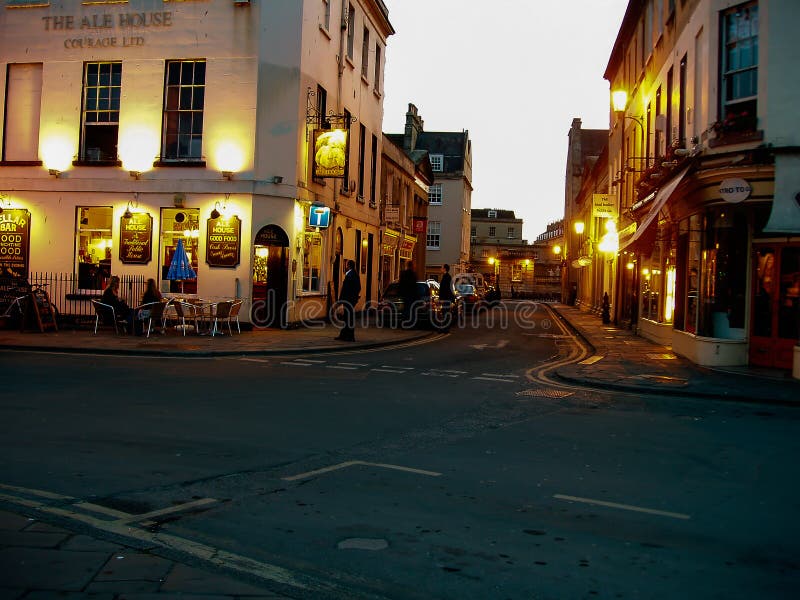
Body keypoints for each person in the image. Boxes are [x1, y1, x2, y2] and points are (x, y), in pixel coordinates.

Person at [335, 259, 360, 341]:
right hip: (351, 300)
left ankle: (350, 336)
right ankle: (344, 335)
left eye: (347, 265)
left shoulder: (349, 275)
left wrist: (340, 301)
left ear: (349, 266)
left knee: (348, 318)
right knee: (347, 318)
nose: (346, 266)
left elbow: (345, 289)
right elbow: (358, 287)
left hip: (348, 300)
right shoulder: (355, 274)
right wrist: (355, 297)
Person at [399, 260, 418, 325]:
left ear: (407, 265)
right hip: (412, 295)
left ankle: (405, 322)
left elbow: (400, 284)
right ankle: (411, 323)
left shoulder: (403, 274)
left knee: (406, 309)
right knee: (411, 310)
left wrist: (401, 293)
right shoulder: (413, 274)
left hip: (405, 294)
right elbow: (415, 286)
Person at [438, 263, 455, 331]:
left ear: (444, 269)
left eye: (441, 268)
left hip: (446, 299)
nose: (440, 269)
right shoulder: (446, 277)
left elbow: (447, 290)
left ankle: (445, 328)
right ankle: (445, 328)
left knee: (445, 314)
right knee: (445, 313)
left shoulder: (447, 277)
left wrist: (443, 299)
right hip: (446, 299)